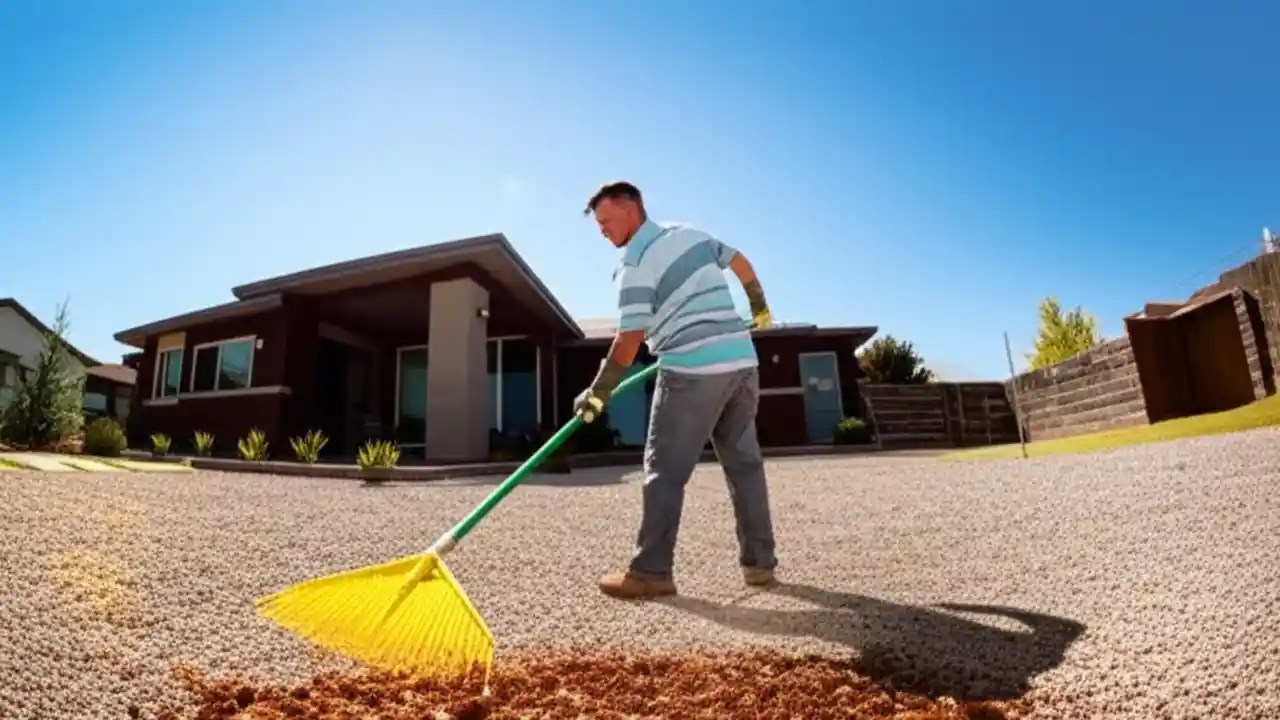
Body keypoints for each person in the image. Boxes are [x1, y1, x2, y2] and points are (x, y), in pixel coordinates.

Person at [574, 180, 779, 599]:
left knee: (664, 472)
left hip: (692, 370)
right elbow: (739, 260)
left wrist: (597, 394)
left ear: (631, 210)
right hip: (742, 363)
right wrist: (758, 307)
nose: (603, 232)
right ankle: (761, 568)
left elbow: (629, 339)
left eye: (607, 221)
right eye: (599, 225)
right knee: (745, 468)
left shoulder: (635, 262)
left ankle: (651, 571)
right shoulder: (691, 235)